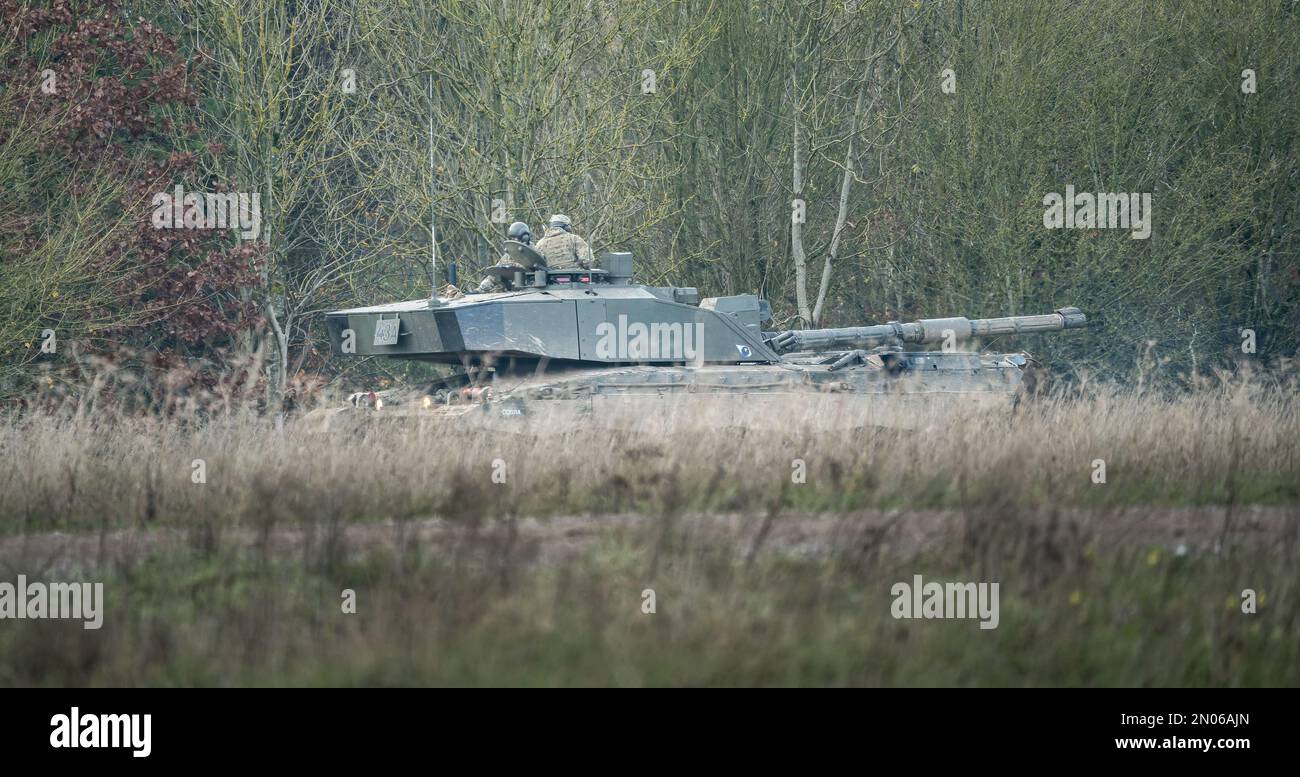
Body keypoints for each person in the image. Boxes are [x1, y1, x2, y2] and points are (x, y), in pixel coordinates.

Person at [477, 221, 532, 293]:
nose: (514, 241)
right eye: (512, 238)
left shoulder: (533, 254)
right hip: (511, 292)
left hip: (529, 290)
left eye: (516, 238)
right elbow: (493, 276)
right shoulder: (508, 255)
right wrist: (481, 288)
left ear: (525, 238)